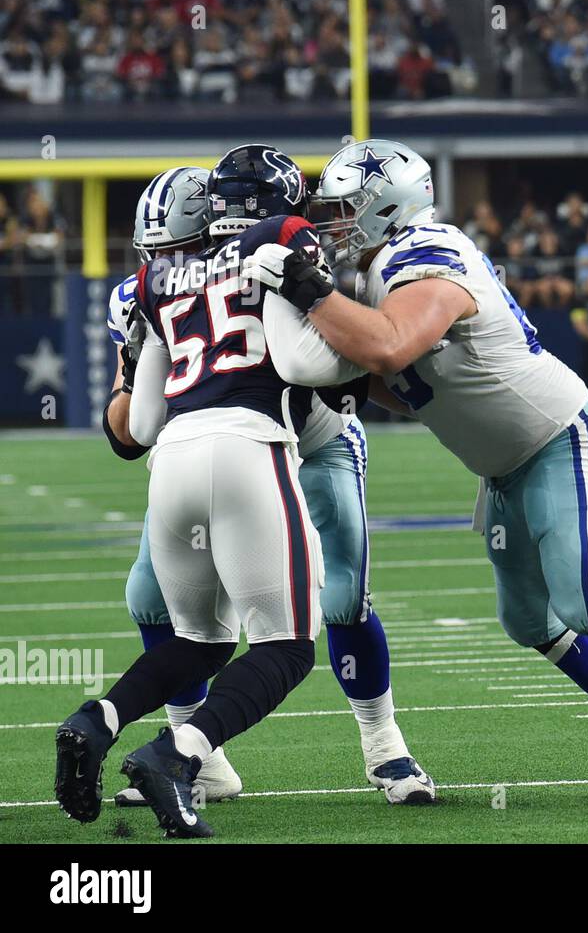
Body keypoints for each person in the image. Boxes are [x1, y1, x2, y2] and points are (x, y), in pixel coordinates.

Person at [247, 139, 588, 805]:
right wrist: (351, 384)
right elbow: (408, 380)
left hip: (559, 440)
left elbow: (389, 344)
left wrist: (308, 291)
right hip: (505, 469)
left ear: (389, 208)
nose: (333, 224)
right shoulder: (382, 271)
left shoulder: (426, 254)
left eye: (347, 209)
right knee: (529, 619)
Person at [101, 164, 435, 811]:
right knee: (147, 595)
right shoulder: (155, 289)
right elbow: (125, 435)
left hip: (317, 435)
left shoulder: (276, 251)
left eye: (176, 249)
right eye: (158, 256)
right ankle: (197, 760)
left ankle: (384, 743)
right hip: (220, 445)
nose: (169, 263)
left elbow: (328, 363)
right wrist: (132, 356)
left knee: (343, 593)